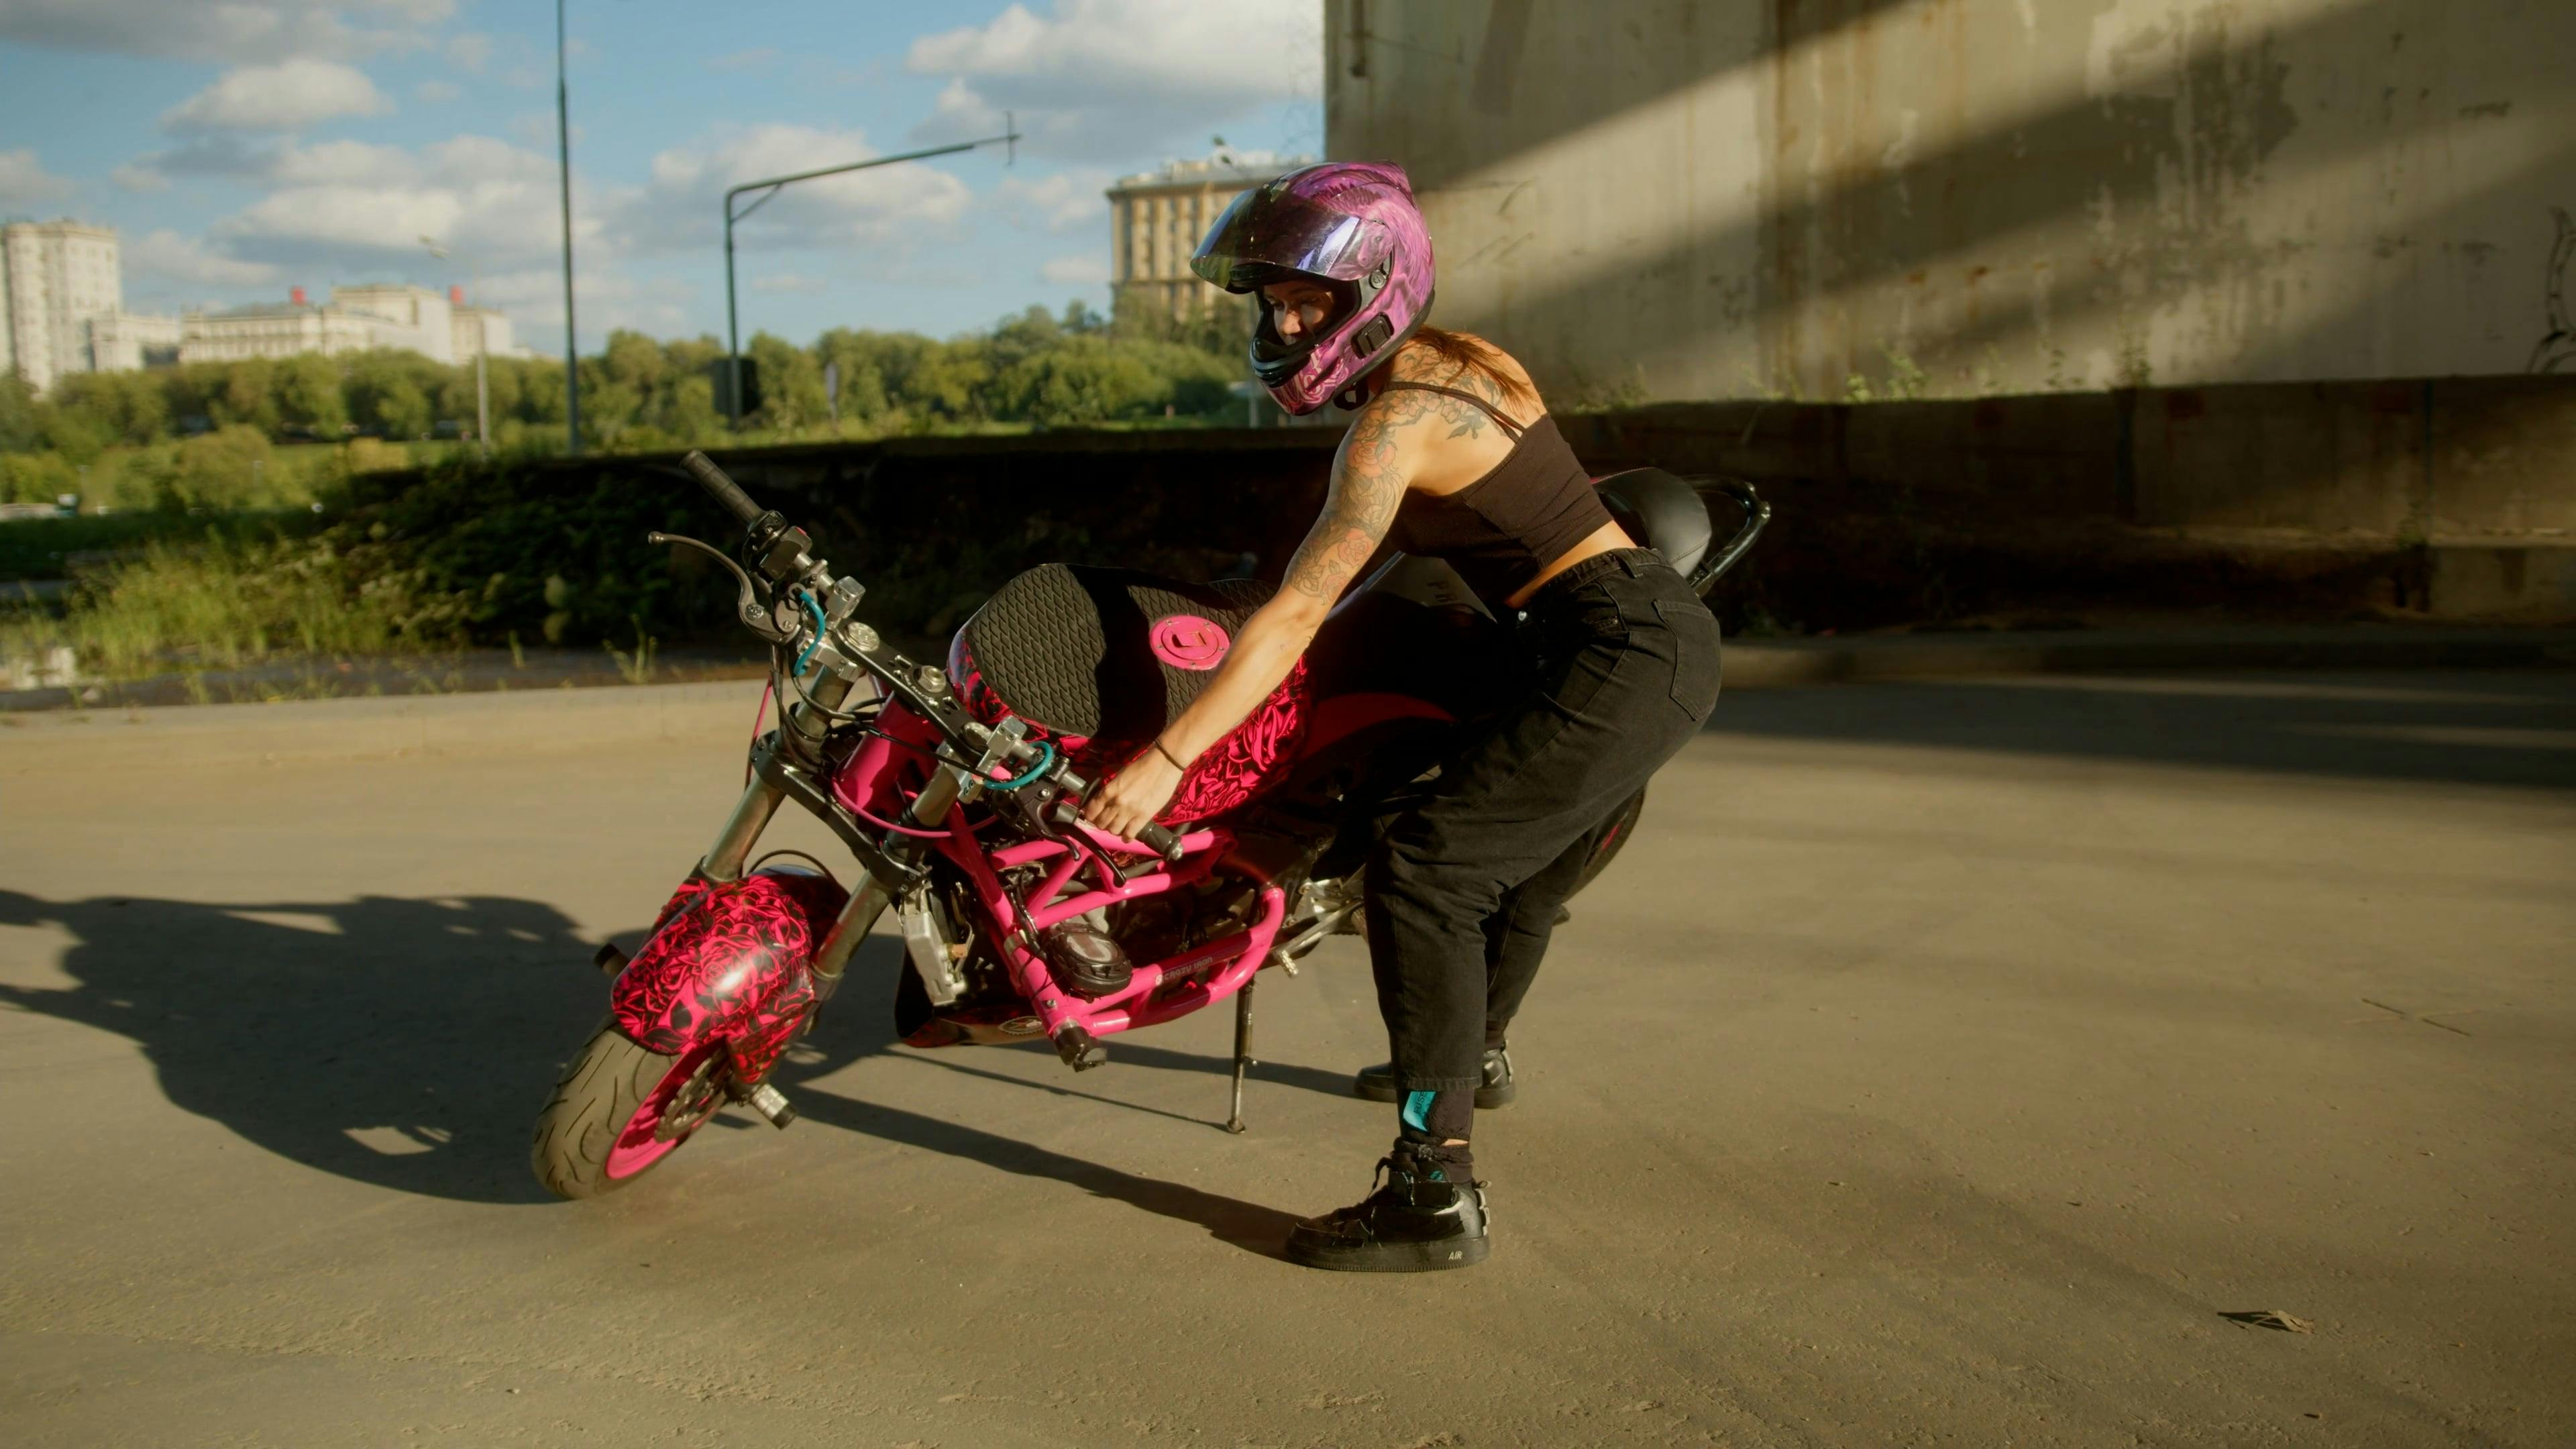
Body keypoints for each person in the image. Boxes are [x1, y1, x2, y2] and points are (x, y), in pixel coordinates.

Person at [1083, 162, 1721, 1271]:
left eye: (1306, 301)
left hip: (1612, 646)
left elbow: (1296, 611)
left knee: (1429, 867)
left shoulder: (1391, 430)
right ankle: (1474, 1057)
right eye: (1273, 300)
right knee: (1512, 863)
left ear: (1373, 288)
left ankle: (1433, 1195)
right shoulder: (1471, 363)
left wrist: (1169, 756)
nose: (1283, 322)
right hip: (1628, 635)